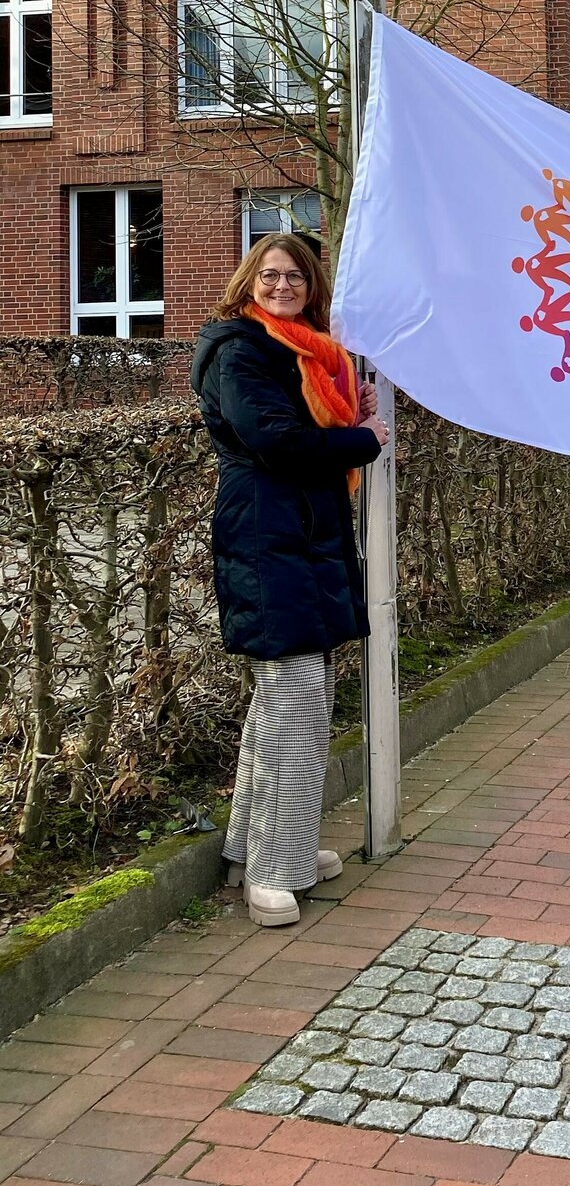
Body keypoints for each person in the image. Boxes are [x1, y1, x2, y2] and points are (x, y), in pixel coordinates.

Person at [192, 233, 388, 926]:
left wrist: (349, 406)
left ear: (312, 287)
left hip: (302, 531)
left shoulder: (307, 351)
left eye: (296, 278)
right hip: (266, 531)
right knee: (295, 693)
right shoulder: (241, 350)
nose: (282, 286)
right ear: (250, 280)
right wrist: (361, 438)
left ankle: (264, 850)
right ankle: (274, 874)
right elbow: (274, 439)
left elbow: (302, 427)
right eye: (271, 275)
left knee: (292, 694)